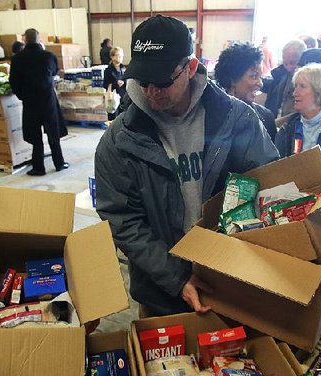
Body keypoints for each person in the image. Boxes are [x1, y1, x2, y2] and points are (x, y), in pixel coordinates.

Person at [94, 15, 279, 317]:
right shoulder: (119, 141)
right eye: (143, 81)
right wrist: (176, 278)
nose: (151, 91)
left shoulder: (237, 119)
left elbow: (269, 184)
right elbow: (122, 219)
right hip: (160, 290)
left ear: (191, 68)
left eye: (162, 81)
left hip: (230, 280)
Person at [9, 29, 69, 176]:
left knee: (35, 136)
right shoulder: (49, 56)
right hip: (48, 99)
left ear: (25, 40)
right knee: (53, 133)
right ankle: (59, 163)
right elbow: (54, 73)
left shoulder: (17, 59)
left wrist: (22, 96)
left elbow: (14, 82)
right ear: (38, 39)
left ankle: (38, 168)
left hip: (30, 101)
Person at [215, 42, 276, 140]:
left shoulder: (266, 118)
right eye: (254, 76)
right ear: (233, 79)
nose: (260, 84)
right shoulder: (211, 116)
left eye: (260, 77)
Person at [263, 39, 305, 119]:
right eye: (285, 64)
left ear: (302, 60)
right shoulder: (280, 76)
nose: (288, 68)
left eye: (292, 63)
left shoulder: (306, 83)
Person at [103, 46, 126, 120]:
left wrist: (124, 82)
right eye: (118, 55)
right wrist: (116, 83)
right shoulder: (108, 70)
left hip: (123, 98)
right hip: (113, 98)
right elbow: (105, 85)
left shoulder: (123, 68)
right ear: (112, 57)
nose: (120, 57)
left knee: (123, 119)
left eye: (121, 55)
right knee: (113, 119)